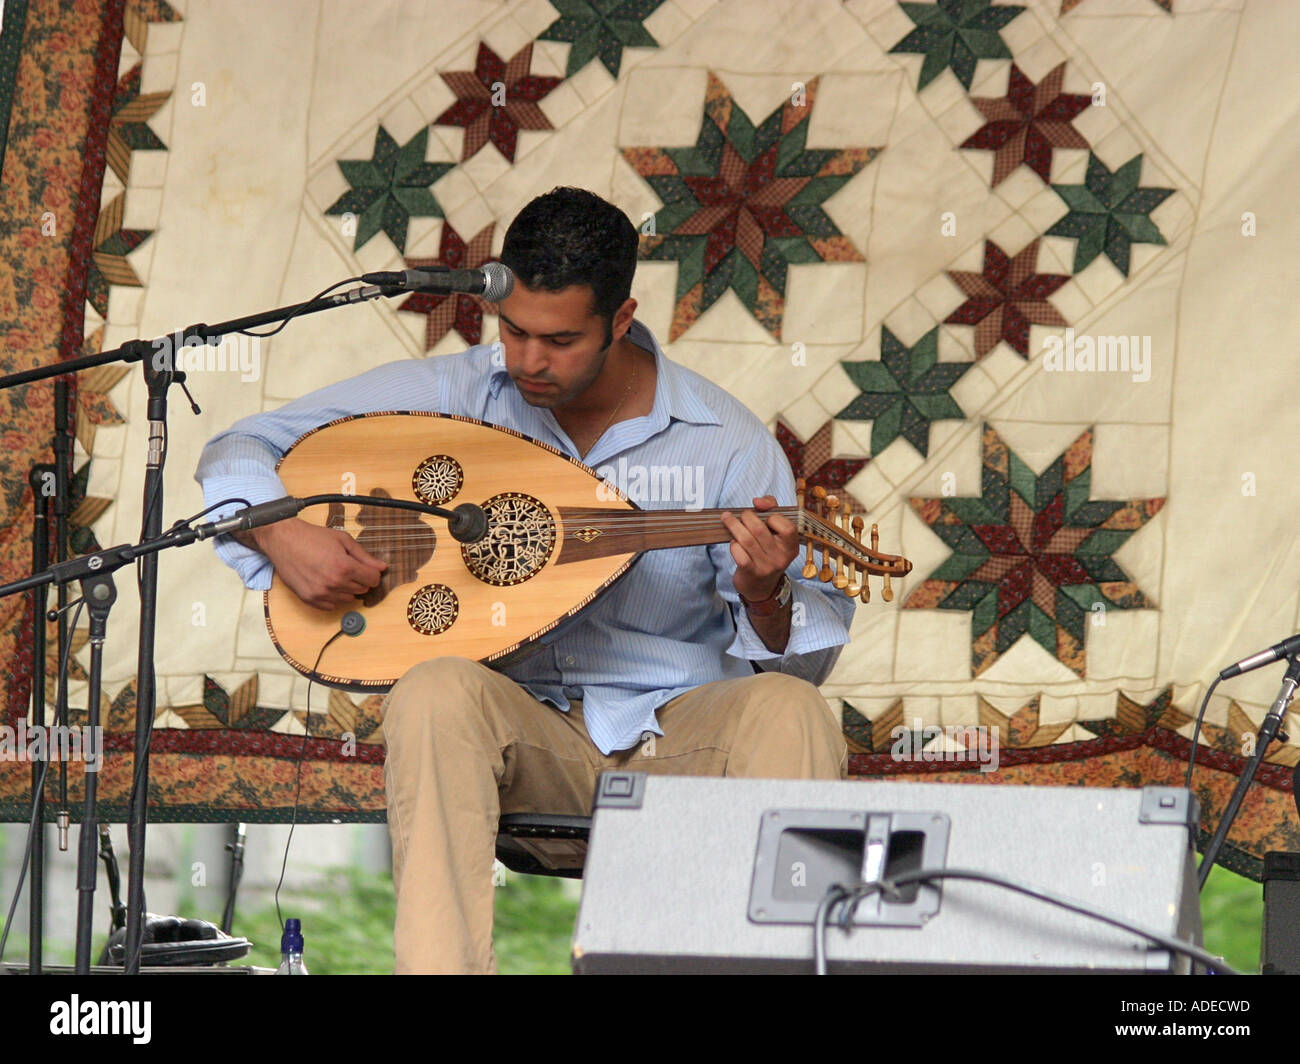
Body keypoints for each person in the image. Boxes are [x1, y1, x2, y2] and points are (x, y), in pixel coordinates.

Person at [195, 187, 856, 973]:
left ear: (620, 318)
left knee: (792, 706)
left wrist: (764, 594)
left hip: (674, 737)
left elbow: (790, 659)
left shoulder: (726, 443)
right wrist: (280, 530)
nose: (529, 361)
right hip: (521, 732)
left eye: (562, 339)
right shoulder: (454, 396)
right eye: (513, 331)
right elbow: (237, 446)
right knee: (435, 687)